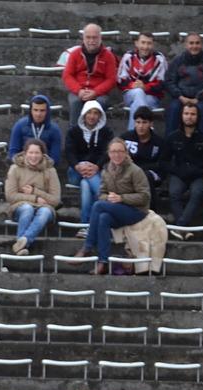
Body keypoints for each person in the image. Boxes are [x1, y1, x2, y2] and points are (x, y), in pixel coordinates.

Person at [74, 138, 149, 275]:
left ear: (126, 153)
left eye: (120, 151)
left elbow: (144, 196)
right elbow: (101, 194)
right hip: (114, 209)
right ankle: (103, 262)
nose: (117, 154)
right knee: (103, 218)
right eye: (113, 151)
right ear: (109, 154)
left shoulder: (135, 171)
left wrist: (122, 198)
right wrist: (108, 198)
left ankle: (87, 247)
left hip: (136, 211)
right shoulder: (106, 171)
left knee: (98, 206)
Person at [164, 102, 203, 234]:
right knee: (174, 193)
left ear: (198, 117)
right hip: (178, 174)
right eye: (186, 113)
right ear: (181, 116)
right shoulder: (172, 137)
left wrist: (202, 171)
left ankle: (181, 226)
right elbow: (163, 161)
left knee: (197, 193)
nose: (189, 117)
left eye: (193, 114)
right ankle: (184, 228)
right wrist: (176, 171)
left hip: (198, 175)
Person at [5, 139, 61, 255]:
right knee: (27, 209)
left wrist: (35, 192)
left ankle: (23, 241)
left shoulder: (50, 170)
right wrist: (34, 198)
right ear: (25, 153)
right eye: (31, 153)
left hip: (44, 206)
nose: (33, 156)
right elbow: (10, 196)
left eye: (37, 153)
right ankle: (23, 245)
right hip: (20, 206)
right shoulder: (15, 168)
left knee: (45, 212)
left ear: (42, 154)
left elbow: (55, 200)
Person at [65, 100, 113, 235]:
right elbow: (69, 152)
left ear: (100, 115)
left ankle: (85, 226)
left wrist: (96, 166)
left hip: (95, 172)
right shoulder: (73, 131)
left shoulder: (106, 132)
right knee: (88, 180)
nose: (92, 116)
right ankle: (105, 201)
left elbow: (107, 152)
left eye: (96, 113)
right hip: (75, 172)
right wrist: (78, 165)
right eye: (89, 113)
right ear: (84, 114)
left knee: (86, 185)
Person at [63, 23, 118, 125]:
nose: (91, 41)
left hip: (99, 94)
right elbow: (67, 75)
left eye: (94, 37)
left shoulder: (108, 56)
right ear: (83, 38)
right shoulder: (75, 54)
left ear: (100, 38)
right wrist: (79, 90)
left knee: (98, 104)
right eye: (88, 37)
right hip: (78, 92)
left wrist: (95, 92)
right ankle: (74, 134)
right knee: (75, 103)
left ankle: (97, 134)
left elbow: (111, 79)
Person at [165, 33, 203, 135]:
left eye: (197, 43)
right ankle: (170, 143)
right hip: (180, 97)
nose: (194, 46)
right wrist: (180, 96)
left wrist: (198, 98)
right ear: (186, 45)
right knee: (173, 108)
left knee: (201, 109)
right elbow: (169, 81)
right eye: (191, 43)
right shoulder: (177, 60)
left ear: (201, 44)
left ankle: (202, 143)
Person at [117, 33, 168, 131]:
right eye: (143, 43)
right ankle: (146, 131)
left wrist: (145, 87)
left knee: (139, 102)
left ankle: (132, 135)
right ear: (136, 43)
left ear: (153, 45)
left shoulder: (159, 59)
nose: (145, 46)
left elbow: (162, 84)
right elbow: (120, 81)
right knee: (138, 93)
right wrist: (134, 85)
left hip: (152, 98)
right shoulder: (128, 57)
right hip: (130, 95)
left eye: (149, 43)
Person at [121, 107, 167, 203]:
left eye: (144, 122)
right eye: (138, 122)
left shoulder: (159, 142)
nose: (141, 126)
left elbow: (161, 164)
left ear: (151, 124)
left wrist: (138, 169)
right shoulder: (125, 137)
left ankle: (151, 210)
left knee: (146, 176)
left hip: (151, 173)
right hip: (129, 172)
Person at [8, 94, 64, 163]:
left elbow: (55, 158)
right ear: (30, 110)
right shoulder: (20, 125)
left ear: (47, 111)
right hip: (23, 166)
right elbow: (13, 152)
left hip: (45, 168)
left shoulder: (54, 130)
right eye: (35, 110)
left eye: (42, 110)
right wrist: (25, 163)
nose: (38, 114)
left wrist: (40, 165)